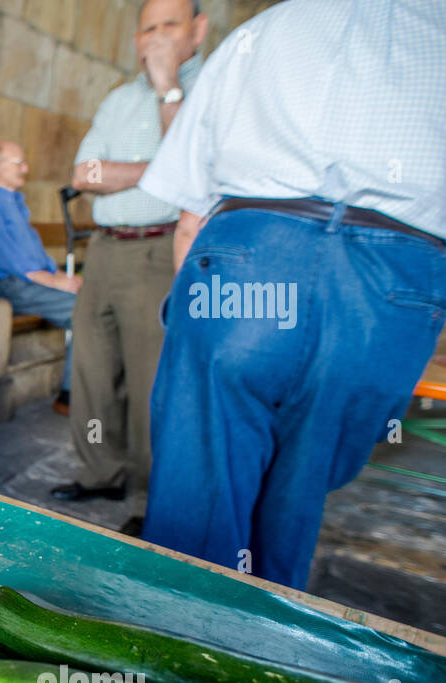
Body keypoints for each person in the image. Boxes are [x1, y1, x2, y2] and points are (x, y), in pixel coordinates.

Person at [138, 0, 446, 590]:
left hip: (251, 256)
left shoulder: (267, 29)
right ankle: (265, 645)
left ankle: (178, 646)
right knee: (298, 490)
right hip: (392, 287)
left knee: (200, 480)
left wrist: (196, 329)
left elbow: (188, 212)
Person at [53, 0, 208, 538]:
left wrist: (170, 88)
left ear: (199, 30)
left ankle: (153, 497)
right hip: (105, 248)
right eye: (149, 27)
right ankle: (101, 473)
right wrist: (156, 168)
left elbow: (193, 167)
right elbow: (84, 172)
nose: (157, 37)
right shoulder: (118, 98)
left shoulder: (209, 88)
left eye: (171, 25)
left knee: (151, 379)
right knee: (93, 369)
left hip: (159, 250)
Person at [0, 140, 77, 416]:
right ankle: (71, 395)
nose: (26, 169)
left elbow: (36, 257)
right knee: (85, 311)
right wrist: (59, 283)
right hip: (12, 288)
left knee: (97, 303)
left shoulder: (15, 204)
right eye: (19, 163)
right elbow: (15, 263)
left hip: (33, 284)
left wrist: (64, 277)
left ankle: (82, 390)